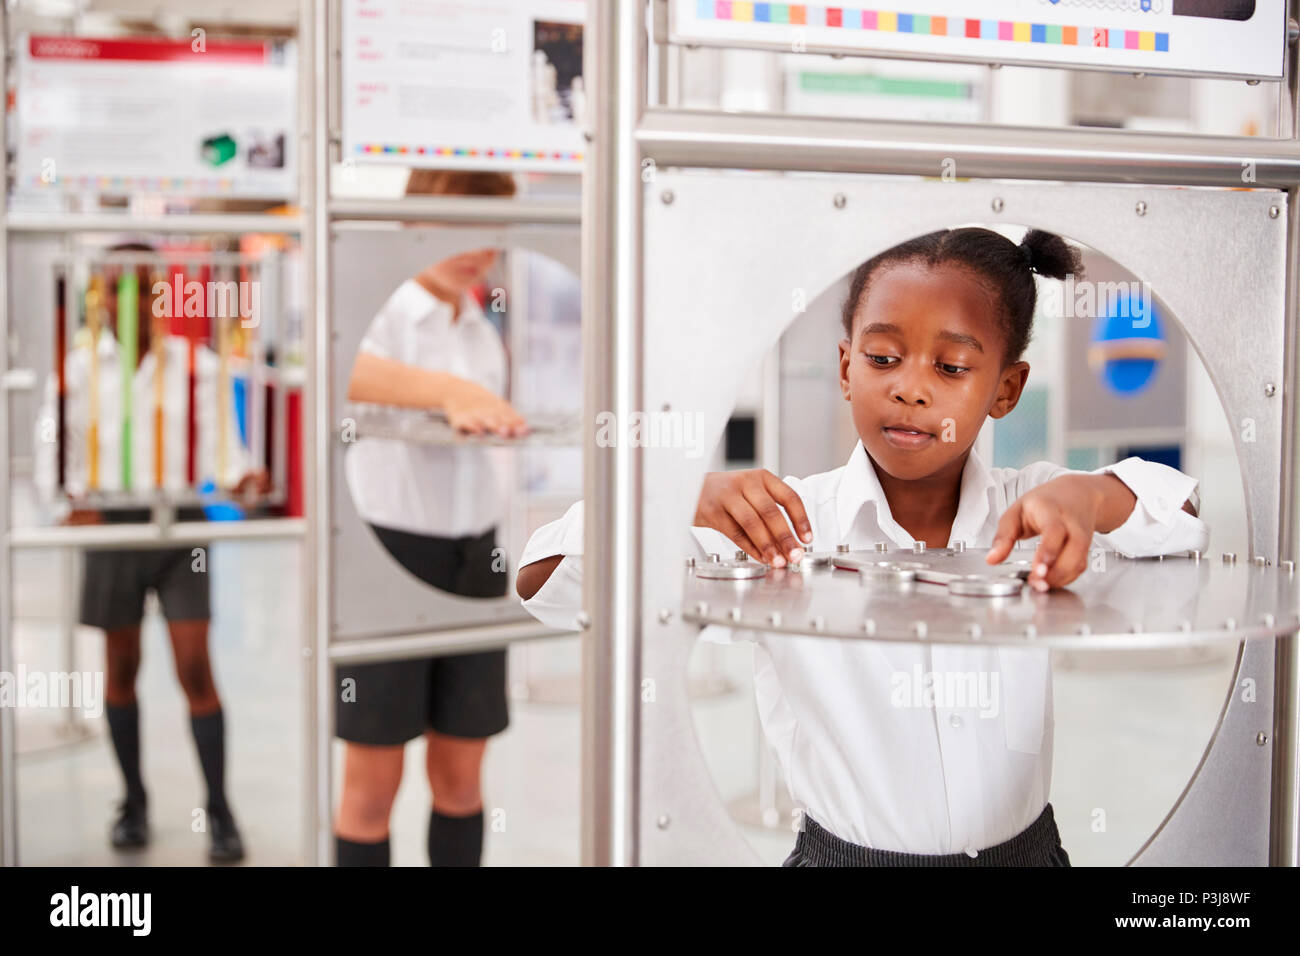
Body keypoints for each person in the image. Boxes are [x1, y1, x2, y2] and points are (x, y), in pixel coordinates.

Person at [514, 227, 1210, 867]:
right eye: (883, 358)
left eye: (951, 368)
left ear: (1007, 389)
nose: (909, 388)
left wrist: (1090, 496)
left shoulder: (1034, 511)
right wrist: (671, 500)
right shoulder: (778, 525)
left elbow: (1183, 509)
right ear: (847, 368)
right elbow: (542, 579)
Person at [34, 243, 264, 863]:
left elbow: (227, 449)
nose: (126, 300)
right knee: (121, 666)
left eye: (140, 287)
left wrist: (242, 478)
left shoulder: (195, 364)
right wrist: (67, 501)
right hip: (113, 524)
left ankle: (218, 808)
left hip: (179, 522)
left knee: (195, 666)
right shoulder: (79, 371)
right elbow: (56, 451)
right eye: (116, 288)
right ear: (101, 297)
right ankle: (132, 801)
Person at [334, 169, 528, 867]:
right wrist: (445, 390)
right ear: (414, 221)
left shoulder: (479, 329)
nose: (478, 248)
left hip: (475, 561)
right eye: (457, 227)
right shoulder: (377, 310)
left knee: (460, 776)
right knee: (371, 785)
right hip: (388, 559)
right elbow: (338, 367)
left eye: (492, 232)